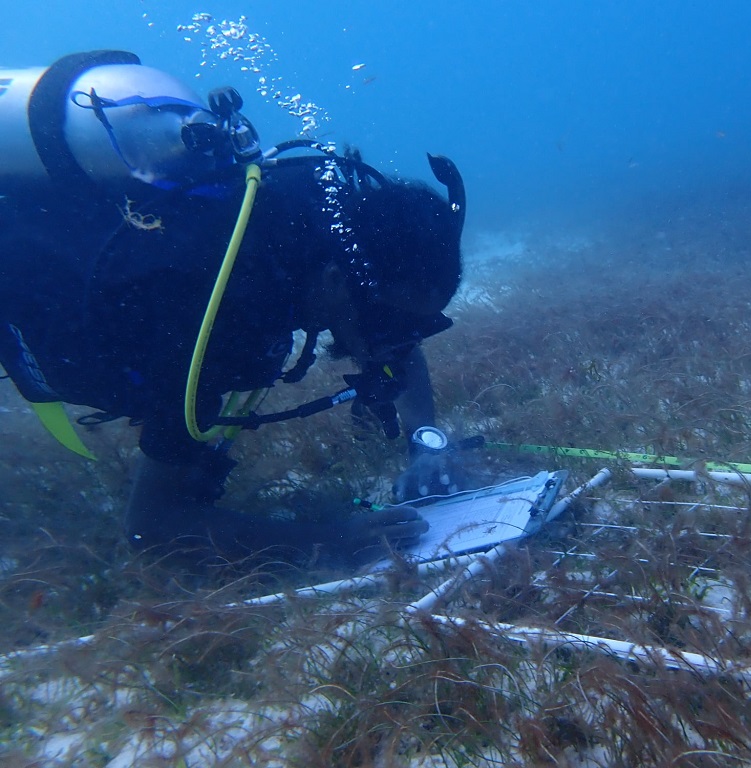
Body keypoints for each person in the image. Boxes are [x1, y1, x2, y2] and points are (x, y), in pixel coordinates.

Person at [0, 51, 466, 567]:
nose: (404, 342)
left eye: (420, 326)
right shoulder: (221, 315)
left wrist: (429, 443)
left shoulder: (322, 223)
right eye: (394, 323)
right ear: (336, 282)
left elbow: (395, 339)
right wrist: (328, 543)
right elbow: (154, 527)